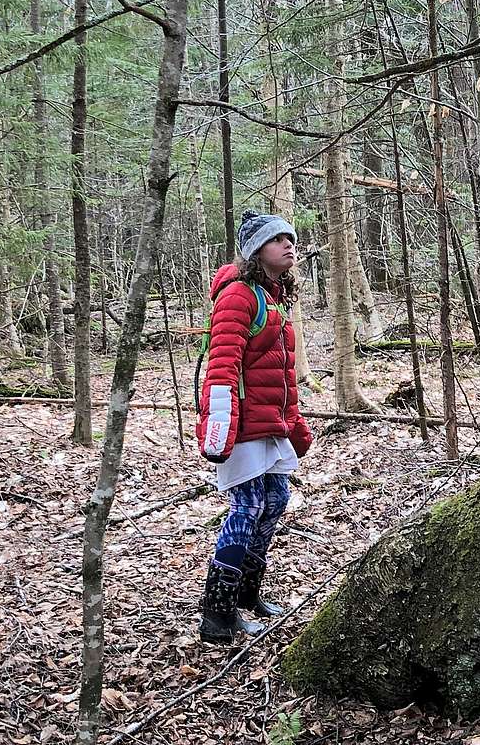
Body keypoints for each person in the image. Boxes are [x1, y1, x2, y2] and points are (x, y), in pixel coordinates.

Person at [195, 210, 314, 644]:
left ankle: (247, 592)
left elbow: (281, 375)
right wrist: (219, 428)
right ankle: (218, 613)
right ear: (255, 251)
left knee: (276, 498)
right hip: (242, 425)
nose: (288, 244)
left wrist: (293, 425)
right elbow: (222, 367)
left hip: (270, 424)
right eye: (276, 239)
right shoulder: (238, 296)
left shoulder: (273, 297)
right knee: (246, 507)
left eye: (290, 237)